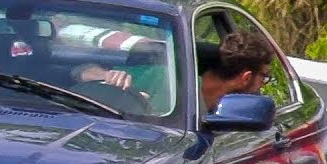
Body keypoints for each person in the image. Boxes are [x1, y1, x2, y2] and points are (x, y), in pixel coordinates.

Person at [74, 31, 274, 113]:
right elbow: (80, 71)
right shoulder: (163, 76)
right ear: (245, 77)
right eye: (263, 76)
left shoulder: (234, 111)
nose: (262, 85)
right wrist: (106, 76)